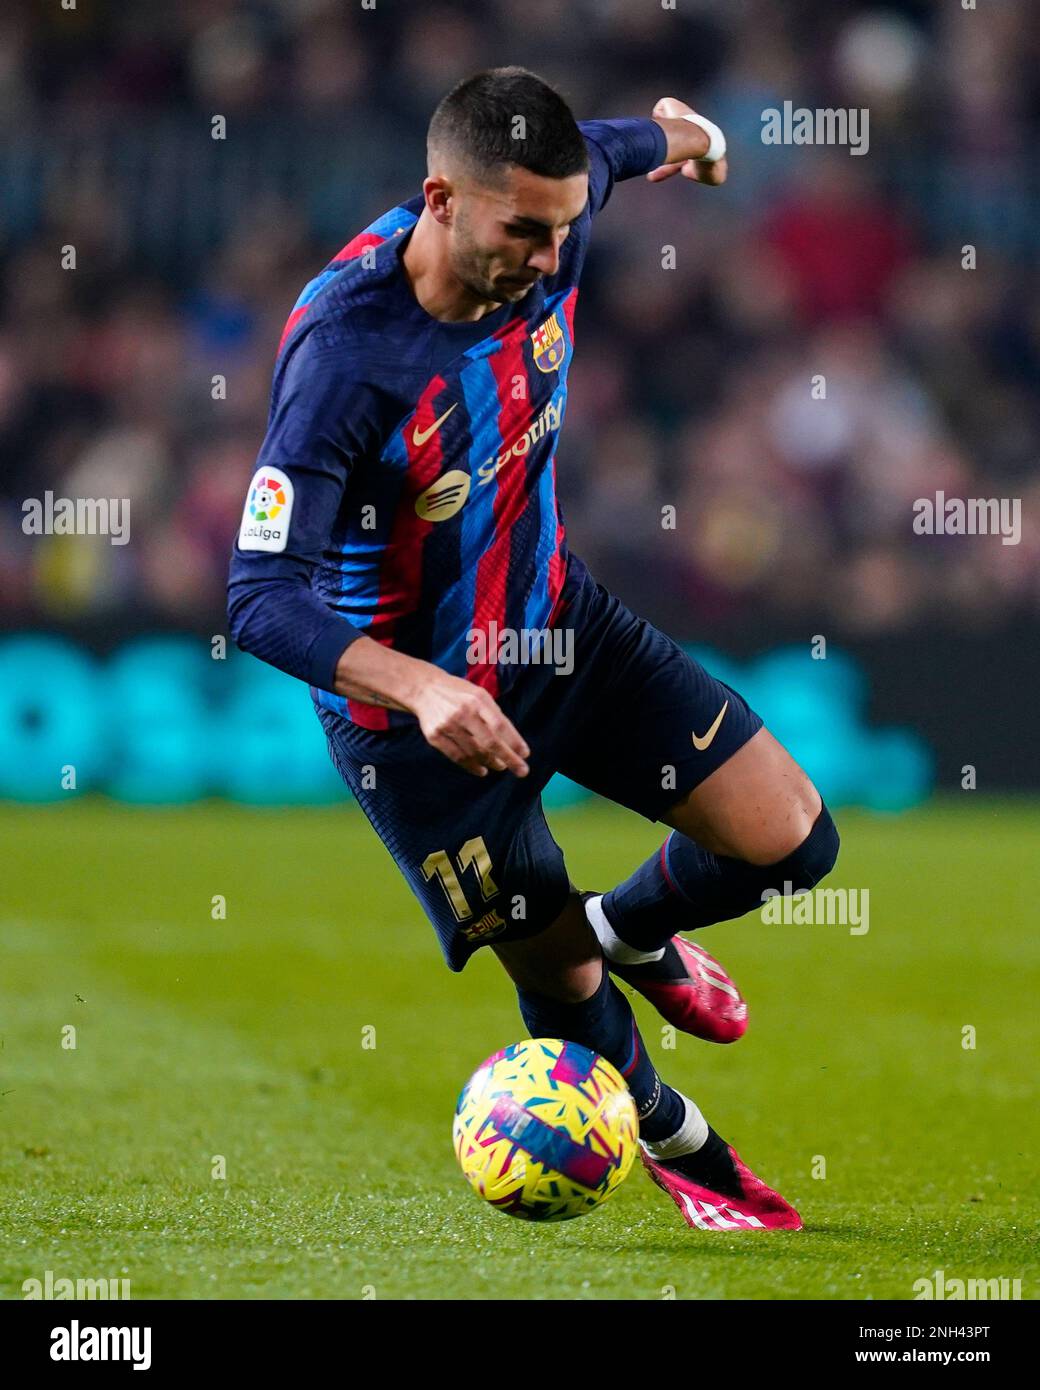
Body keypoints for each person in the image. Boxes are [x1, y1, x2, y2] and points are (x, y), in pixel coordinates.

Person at [228, 67, 839, 1232]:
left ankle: (626, 929)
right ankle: (679, 1142)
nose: (551, 260)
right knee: (555, 982)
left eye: (564, 230)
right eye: (525, 231)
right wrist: (421, 689)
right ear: (440, 200)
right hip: (415, 730)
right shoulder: (344, 358)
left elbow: (645, 137)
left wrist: (694, 140)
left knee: (791, 841)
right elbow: (259, 596)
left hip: (560, 630)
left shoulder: (556, 198)